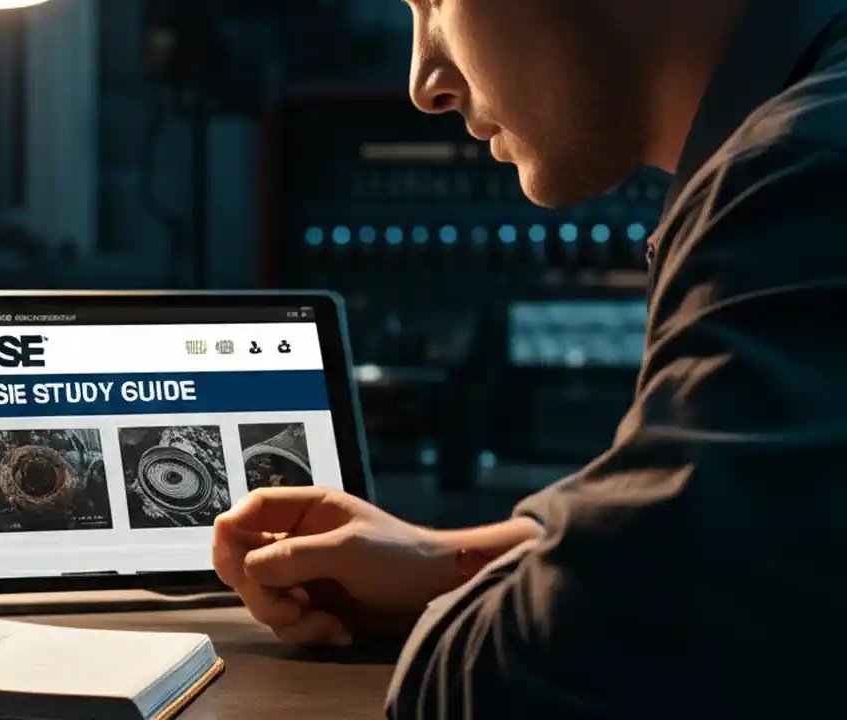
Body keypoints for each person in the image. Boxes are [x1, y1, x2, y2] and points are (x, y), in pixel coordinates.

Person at [212, 0, 847, 717]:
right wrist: (454, 561)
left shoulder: (809, 173)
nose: (425, 82)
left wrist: (484, 602)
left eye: (434, 4)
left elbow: (545, 663)